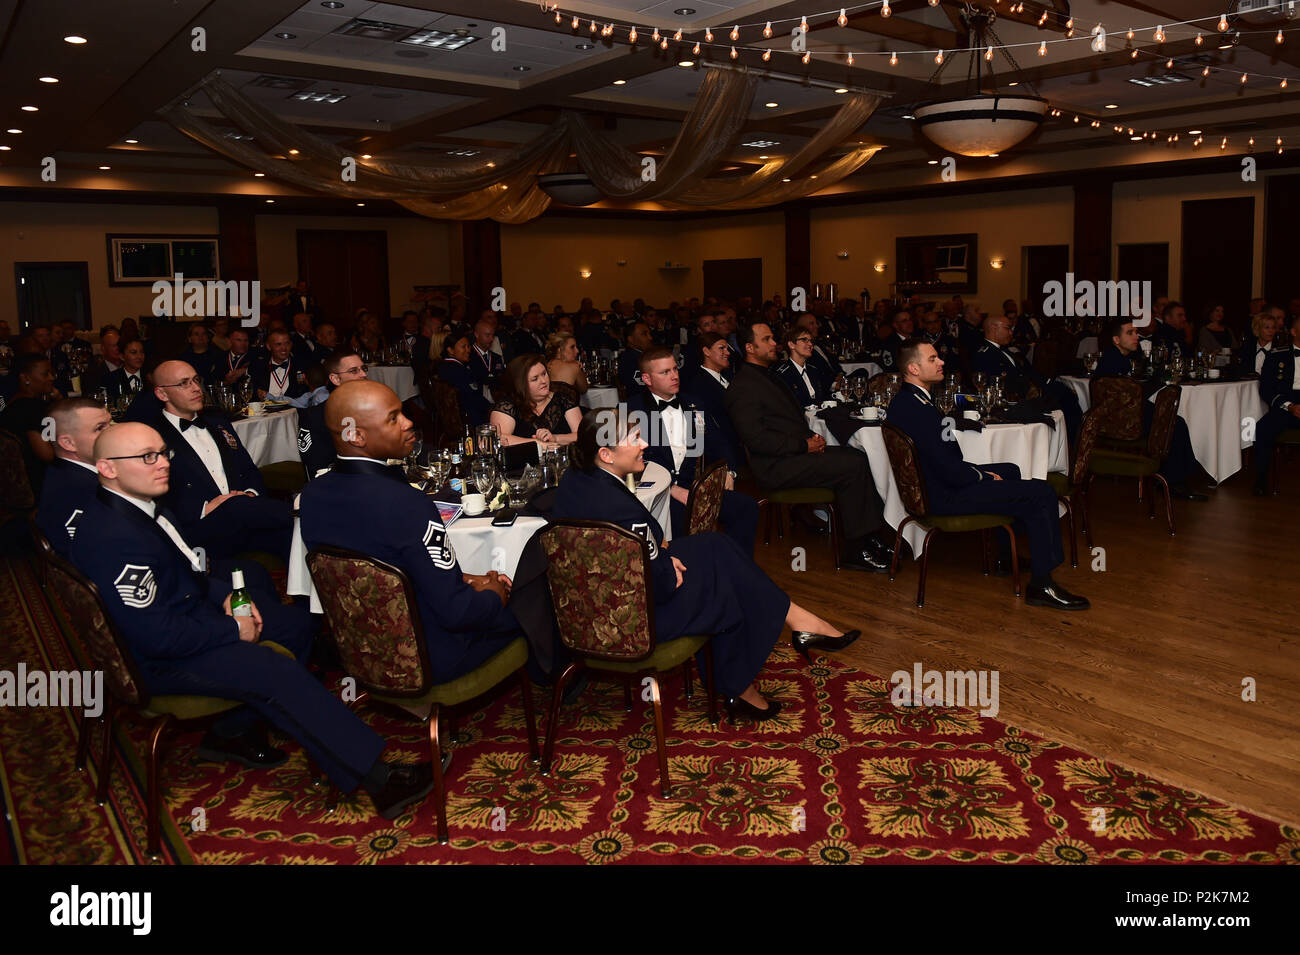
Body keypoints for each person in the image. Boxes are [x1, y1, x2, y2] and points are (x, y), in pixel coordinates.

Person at [71, 421, 433, 817]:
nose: (163, 465)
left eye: (163, 453)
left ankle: (233, 730)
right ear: (107, 468)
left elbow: (186, 572)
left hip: (185, 617)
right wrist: (231, 629)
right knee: (276, 672)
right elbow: (158, 635)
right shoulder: (114, 538)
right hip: (160, 659)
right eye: (146, 457)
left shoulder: (136, 506)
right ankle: (379, 779)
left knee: (295, 627)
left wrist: (223, 594)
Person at [553, 408, 862, 719]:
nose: (645, 443)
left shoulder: (574, 479)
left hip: (584, 613)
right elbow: (661, 584)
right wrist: (664, 563)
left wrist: (662, 556)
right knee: (725, 588)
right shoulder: (622, 510)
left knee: (715, 545)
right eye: (634, 438)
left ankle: (793, 624)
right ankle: (743, 683)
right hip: (631, 621)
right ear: (606, 454)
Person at [300, 381, 523, 684]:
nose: (408, 423)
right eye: (393, 418)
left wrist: (466, 579)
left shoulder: (312, 495)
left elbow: (385, 571)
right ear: (356, 436)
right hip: (431, 656)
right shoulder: (406, 503)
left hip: (359, 652)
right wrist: (495, 596)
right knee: (530, 599)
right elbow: (457, 614)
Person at [889, 339, 1089, 610]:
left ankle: (1007, 556)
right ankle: (1042, 584)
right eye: (933, 358)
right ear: (913, 368)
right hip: (943, 495)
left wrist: (979, 473)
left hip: (939, 482)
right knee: (1042, 493)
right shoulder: (915, 408)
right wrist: (980, 476)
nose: (942, 362)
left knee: (1011, 469)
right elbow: (947, 468)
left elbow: (940, 459)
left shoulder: (911, 399)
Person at [725, 322, 893, 572]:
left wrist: (812, 439)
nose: (775, 343)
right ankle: (855, 549)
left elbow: (786, 420)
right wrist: (804, 445)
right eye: (768, 339)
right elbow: (756, 439)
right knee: (852, 465)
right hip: (775, 466)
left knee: (858, 456)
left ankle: (869, 537)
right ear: (750, 347)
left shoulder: (765, 376)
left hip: (791, 456)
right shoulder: (743, 386)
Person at [149, 359, 294, 560]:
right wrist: (204, 508)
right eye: (184, 383)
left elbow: (250, 470)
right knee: (237, 506)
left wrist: (250, 495)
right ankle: (305, 511)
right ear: (162, 393)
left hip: (244, 519)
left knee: (293, 537)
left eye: (195, 380)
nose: (195, 388)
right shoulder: (152, 437)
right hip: (199, 529)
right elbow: (151, 496)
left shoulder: (219, 424)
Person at [628, 347, 758, 552]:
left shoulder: (693, 404)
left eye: (675, 369)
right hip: (659, 495)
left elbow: (718, 442)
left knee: (745, 507)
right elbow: (627, 463)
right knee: (681, 527)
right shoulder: (633, 410)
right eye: (665, 372)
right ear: (647, 379)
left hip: (695, 489)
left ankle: (737, 569)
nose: (674, 376)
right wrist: (671, 488)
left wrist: (729, 471)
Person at [1092, 318, 1207, 501]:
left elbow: (1137, 387)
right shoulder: (1112, 360)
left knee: (1174, 421)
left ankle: (1174, 477)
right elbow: (1123, 394)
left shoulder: (1126, 357)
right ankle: (1174, 480)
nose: (1136, 336)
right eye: (1130, 333)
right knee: (1173, 424)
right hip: (1120, 421)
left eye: (1136, 332)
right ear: (1116, 339)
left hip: (1129, 413)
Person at [971, 314, 1082, 441]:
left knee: (1066, 393)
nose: (1011, 332)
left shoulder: (1006, 351)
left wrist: (1053, 384)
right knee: (1066, 401)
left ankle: (1073, 443)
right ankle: (1074, 444)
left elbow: (1030, 373)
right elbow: (996, 386)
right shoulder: (984, 355)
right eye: (1008, 328)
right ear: (994, 328)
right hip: (1017, 400)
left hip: (1030, 391)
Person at [35, 397, 114, 557]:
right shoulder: (84, 490)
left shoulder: (62, 472)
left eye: (110, 424)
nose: (112, 433)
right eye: (100, 428)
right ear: (68, 443)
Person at [297, 349, 368, 478]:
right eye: (354, 371)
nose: (363, 374)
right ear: (335, 379)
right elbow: (319, 470)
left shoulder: (374, 409)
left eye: (363, 368)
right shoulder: (316, 417)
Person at [1253, 313, 1300, 495]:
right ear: (1294, 332)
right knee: (1262, 429)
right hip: (1285, 405)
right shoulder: (1277, 354)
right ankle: (1261, 479)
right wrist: (1289, 406)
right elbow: (1266, 388)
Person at [491, 354, 582, 447]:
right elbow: (498, 438)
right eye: (535, 379)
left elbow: (582, 434)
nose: (543, 381)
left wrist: (555, 438)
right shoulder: (508, 404)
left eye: (544, 374)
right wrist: (538, 444)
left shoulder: (563, 398)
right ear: (521, 385)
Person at [0, 353, 57, 495]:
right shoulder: (33, 409)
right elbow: (48, 454)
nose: (52, 378)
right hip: (35, 486)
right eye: (45, 374)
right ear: (25, 378)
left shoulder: (14, 403)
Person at [437, 329, 491, 427]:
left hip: (454, 418)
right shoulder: (458, 371)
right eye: (463, 347)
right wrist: (493, 409)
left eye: (468, 346)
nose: (468, 350)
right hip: (469, 419)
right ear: (450, 350)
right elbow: (474, 398)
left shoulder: (443, 366)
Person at [774, 325, 830, 405]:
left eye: (811, 341)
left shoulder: (813, 370)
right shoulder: (783, 375)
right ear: (791, 345)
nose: (810, 344)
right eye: (804, 340)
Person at [252, 330, 310, 400]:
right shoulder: (258, 366)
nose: (284, 348)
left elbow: (306, 394)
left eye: (287, 343)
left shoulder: (301, 365)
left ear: (291, 344)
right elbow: (252, 393)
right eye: (278, 344)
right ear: (269, 346)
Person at [544, 332, 588, 399]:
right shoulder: (574, 367)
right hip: (567, 409)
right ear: (559, 350)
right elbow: (584, 389)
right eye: (572, 347)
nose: (577, 351)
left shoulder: (546, 365)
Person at [82, 327, 123, 395]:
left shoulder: (130, 368)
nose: (118, 348)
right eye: (113, 345)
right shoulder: (93, 374)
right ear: (103, 349)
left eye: (120, 345)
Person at [469, 318, 505, 394]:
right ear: (476, 334)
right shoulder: (468, 356)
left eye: (493, 335)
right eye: (487, 335)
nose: (491, 339)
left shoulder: (497, 357)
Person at [618, 321, 653, 397]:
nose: (650, 338)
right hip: (636, 406)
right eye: (644, 334)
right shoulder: (628, 359)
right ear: (631, 339)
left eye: (649, 334)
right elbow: (623, 396)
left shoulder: (645, 356)